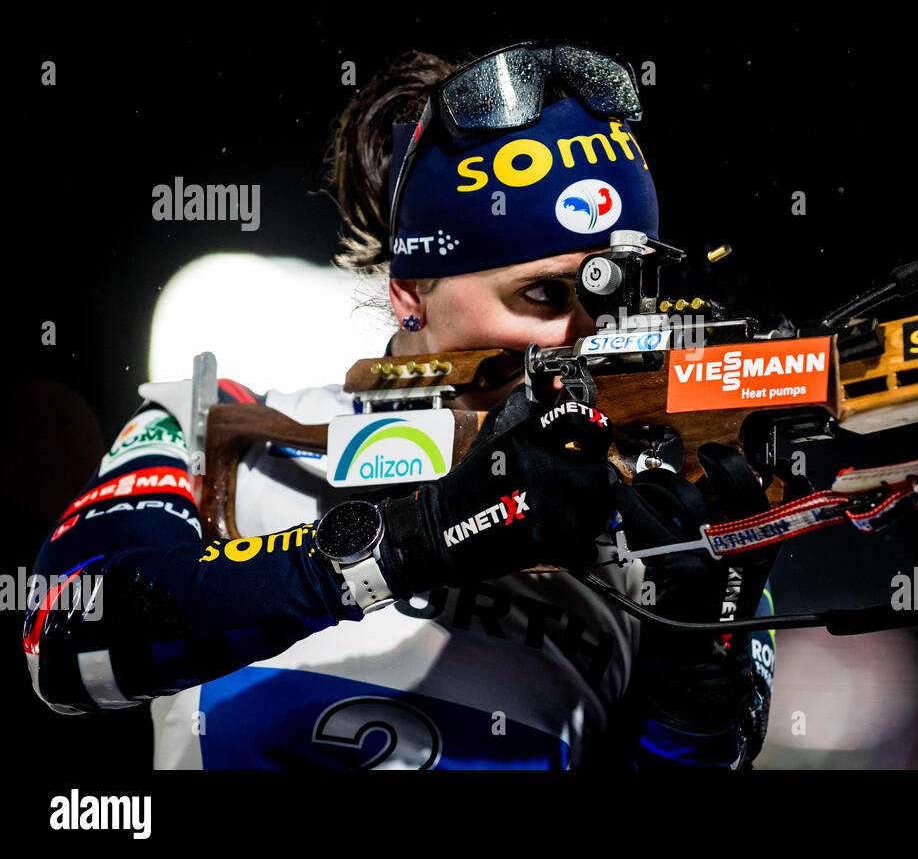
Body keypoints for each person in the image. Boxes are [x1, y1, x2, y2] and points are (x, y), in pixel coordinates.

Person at [22, 41, 776, 770]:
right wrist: (409, 543)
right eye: (543, 295)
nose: (578, 340)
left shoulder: (664, 512)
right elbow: (64, 637)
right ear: (409, 291)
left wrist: (702, 669)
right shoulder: (209, 426)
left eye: (617, 300)